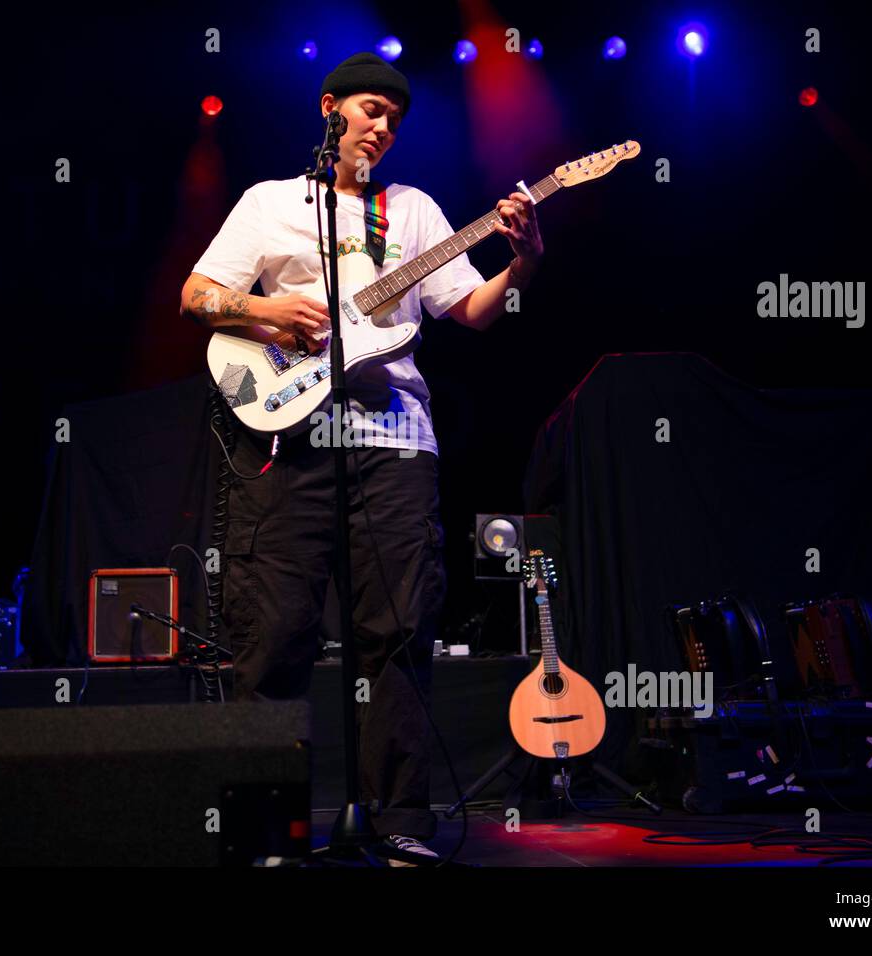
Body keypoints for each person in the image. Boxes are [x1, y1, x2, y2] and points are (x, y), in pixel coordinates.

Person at [179, 52, 543, 863]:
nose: (382, 126)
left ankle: (400, 816)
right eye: (371, 109)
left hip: (395, 443)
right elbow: (197, 296)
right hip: (289, 435)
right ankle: (261, 820)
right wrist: (269, 307)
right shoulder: (270, 203)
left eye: (394, 118)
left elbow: (474, 311)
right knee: (273, 633)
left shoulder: (414, 211)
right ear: (329, 109)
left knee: (401, 631)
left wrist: (521, 264)